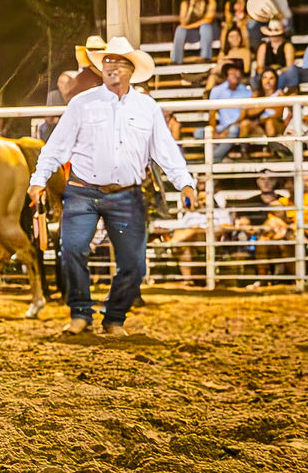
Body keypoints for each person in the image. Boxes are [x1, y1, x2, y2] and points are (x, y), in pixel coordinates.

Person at [29, 37, 198, 337]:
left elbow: (165, 150)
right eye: (107, 61)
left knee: (134, 263)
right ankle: (81, 312)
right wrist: (38, 180)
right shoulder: (82, 104)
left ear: (131, 70)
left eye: (118, 62)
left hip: (126, 193)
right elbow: (56, 146)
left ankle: (114, 317)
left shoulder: (147, 107)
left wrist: (184, 182)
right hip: (83, 189)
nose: (111, 67)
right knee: (72, 250)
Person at [201, 64, 251, 163]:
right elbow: (212, 113)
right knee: (200, 133)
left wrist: (226, 131)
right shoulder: (217, 90)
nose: (234, 75)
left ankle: (211, 160)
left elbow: (243, 114)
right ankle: (222, 156)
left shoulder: (246, 92)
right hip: (222, 126)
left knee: (233, 131)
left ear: (241, 75)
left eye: (237, 72)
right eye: (231, 72)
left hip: (237, 125)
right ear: (227, 74)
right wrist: (214, 131)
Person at [170, 0, 219, 65]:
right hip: (194, 33)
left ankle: (205, 56)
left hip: (209, 33)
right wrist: (191, 8)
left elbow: (208, 19)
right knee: (180, 29)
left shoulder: (210, 1)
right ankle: (176, 59)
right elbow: (183, 22)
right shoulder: (185, 3)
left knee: (205, 27)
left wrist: (189, 26)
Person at [205, 24, 253, 91]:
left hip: (239, 77)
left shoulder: (245, 52)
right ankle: (207, 96)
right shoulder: (224, 53)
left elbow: (246, 70)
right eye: (231, 36)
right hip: (225, 77)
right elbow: (219, 69)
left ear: (241, 37)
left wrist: (231, 64)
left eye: (237, 36)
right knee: (212, 76)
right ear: (227, 39)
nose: (235, 38)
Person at [257, 18, 299, 91]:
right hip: (267, 74)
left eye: (276, 31)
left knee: (292, 70)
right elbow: (260, 66)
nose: (273, 35)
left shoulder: (287, 46)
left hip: (282, 74)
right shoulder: (263, 47)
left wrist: (278, 73)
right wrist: (267, 74)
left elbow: (289, 66)